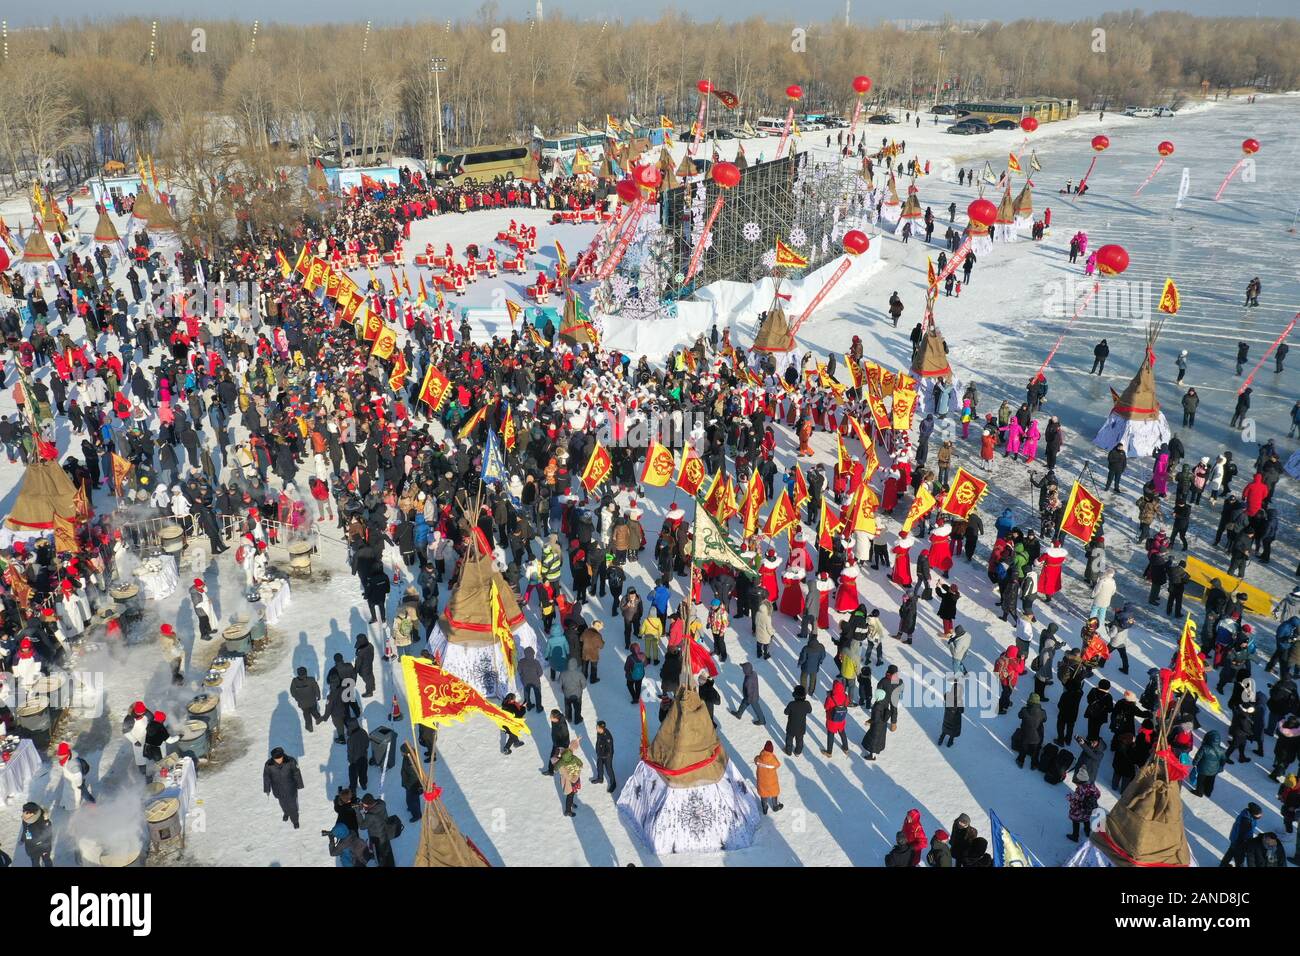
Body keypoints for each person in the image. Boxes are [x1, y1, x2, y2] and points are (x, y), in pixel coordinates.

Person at [263, 746, 304, 829]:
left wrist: (299, 784)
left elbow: (296, 773)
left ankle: (295, 820)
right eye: (276, 758)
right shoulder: (268, 765)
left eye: (279, 758)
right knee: (283, 804)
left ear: (283, 755)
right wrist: (267, 789)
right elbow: (266, 777)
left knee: (293, 806)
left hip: (290, 789)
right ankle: (286, 813)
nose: (278, 760)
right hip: (278, 790)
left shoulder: (290, 761)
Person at [821, 678, 850, 756]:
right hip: (841, 719)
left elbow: (826, 707)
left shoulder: (830, 698)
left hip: (831, 720)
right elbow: (847, 704)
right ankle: (846, 748)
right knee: (842, 733)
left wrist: (828, 697)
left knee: (831, 735)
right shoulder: (845, 696)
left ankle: (829, 752)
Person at [19, 803, 53, 867]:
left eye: (27, 812)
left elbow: (48, 835)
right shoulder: (26, 820)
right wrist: (22, 839)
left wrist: (45, 849)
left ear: (34, 813)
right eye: (24, 811)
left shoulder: (43, 821)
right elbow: (25, 830)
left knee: (47, 860)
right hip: (32, 850)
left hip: (43, 848)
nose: (24, 814)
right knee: (35, 863)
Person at [754, 741, 783, 814]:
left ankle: (764, 808)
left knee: (763, 795)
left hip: (762, 782)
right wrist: (772, 755)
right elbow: (778, 764)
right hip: (772, 783)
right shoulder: (773, 760)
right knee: (774, 794)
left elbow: (755, 759)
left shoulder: (759, 759)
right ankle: (775, 806)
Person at [783, 685, 812, 755]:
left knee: (789, 740)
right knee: (799, 740)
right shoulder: (807, 704)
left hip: (791, 726)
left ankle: (788, 751)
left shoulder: (791, 704)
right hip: (801, 727)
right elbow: (809, 711)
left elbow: (786, 712)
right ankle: (798, 752)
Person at [590, 720, 616, 793]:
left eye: (597, 727)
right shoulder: (599, 732)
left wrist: (604, 756)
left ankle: (613, 783)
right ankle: (600, 778)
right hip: (600, 753)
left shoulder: (608, 737)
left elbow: (609, 750)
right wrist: (598, 752)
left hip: (607, 756)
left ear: (601, 728)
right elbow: (599, 742)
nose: (596, 728)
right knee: (599, 765)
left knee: (609, 769)